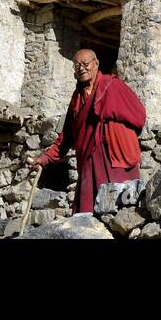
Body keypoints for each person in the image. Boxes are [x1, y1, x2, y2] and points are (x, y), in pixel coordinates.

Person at [29, 49, 146, 214]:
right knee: (86, 215)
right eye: (77, 66)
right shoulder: (77, 99)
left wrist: (114, 125)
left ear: (96, 64)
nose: (81, 68)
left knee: (122, 212)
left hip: (116, 159)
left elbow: (139, 115)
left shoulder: (113, 86)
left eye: (85, 63)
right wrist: (44, 159)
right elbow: (66, 137)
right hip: (89, 165)